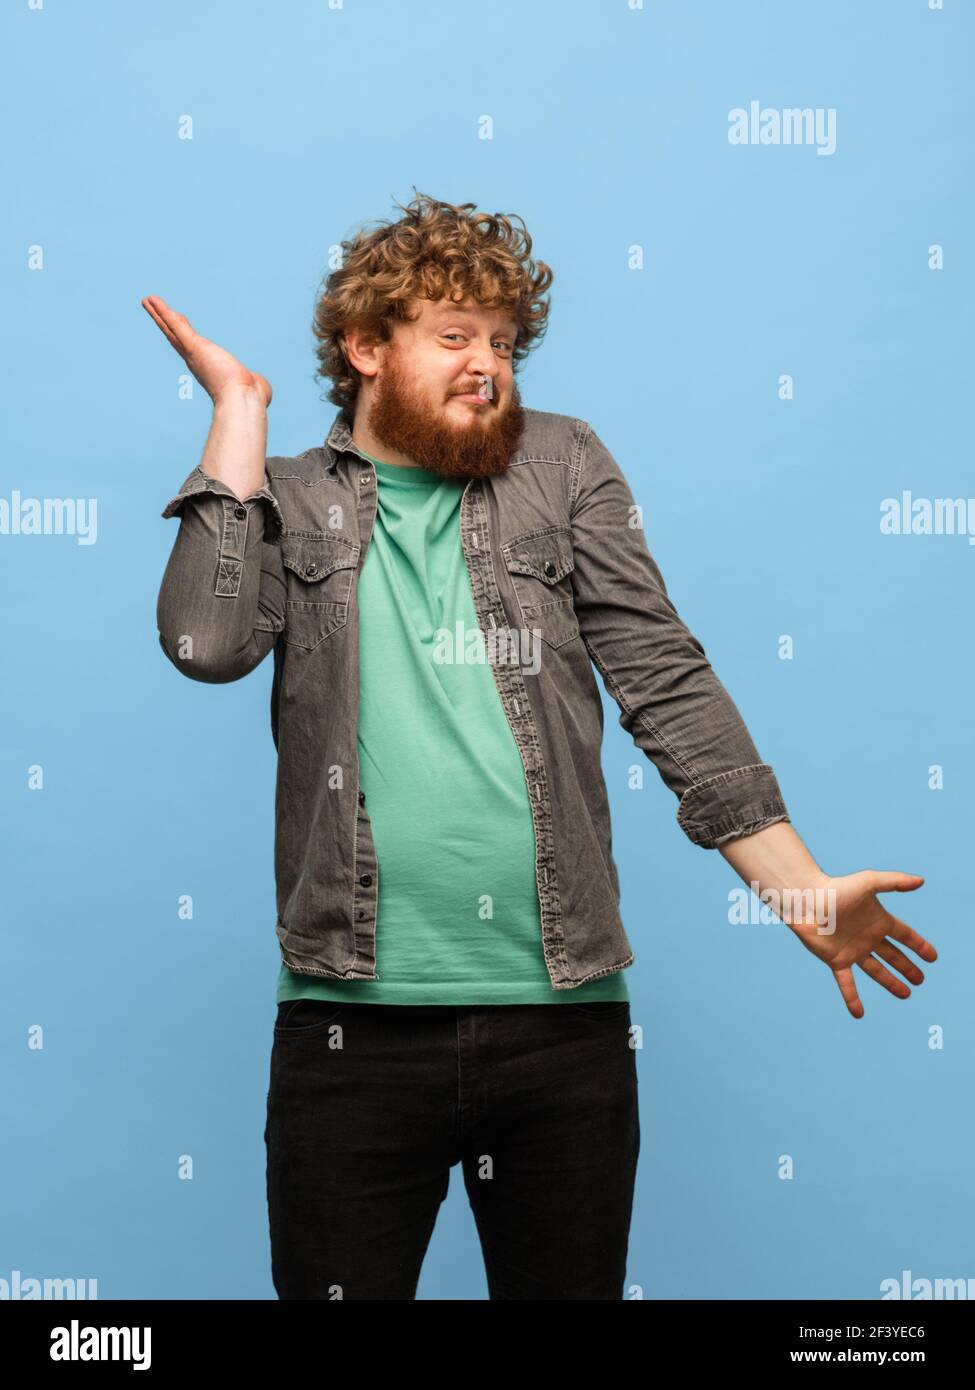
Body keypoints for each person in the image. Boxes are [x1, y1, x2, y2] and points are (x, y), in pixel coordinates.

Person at [146, 191, 936, 1301]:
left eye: (505, 343)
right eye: (456, 336)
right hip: (346, 1032)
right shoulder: (286, 499)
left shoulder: (562, 466)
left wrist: (803, 893)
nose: (491, 365)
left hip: (563, 1030)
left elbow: (665, 680)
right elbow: (205, 642)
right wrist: (237, 416)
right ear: (366, 347)